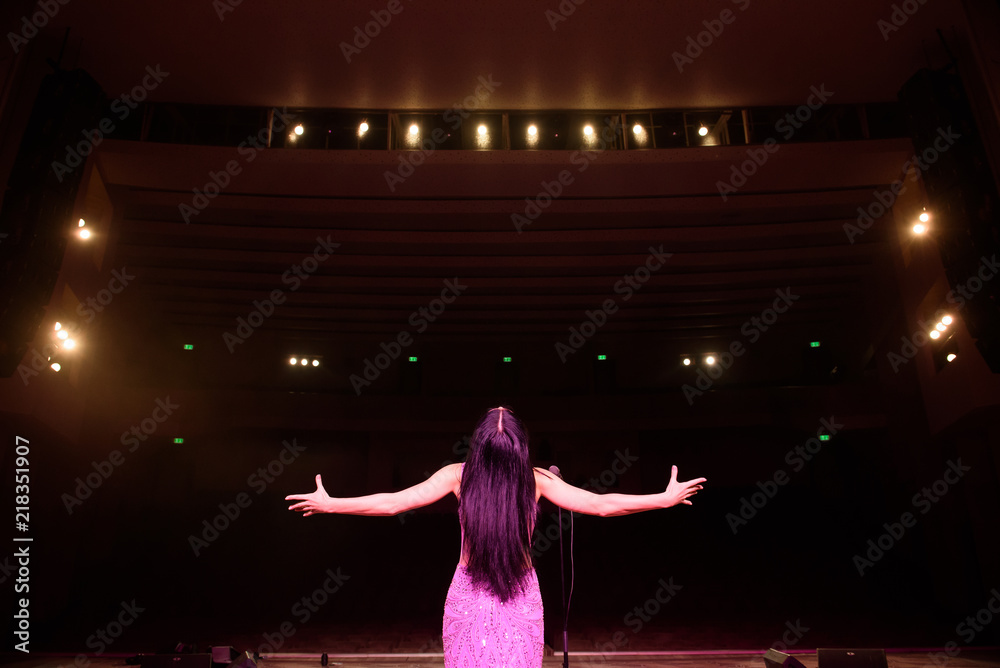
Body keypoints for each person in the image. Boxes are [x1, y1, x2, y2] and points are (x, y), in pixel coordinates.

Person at [285, 406, 706, 667]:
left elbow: (600, 504)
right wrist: (333, 503)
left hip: (514, 594)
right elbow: (393, 502)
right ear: (520, 446)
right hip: (478, 594)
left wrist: (661, 500)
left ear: (479, 446)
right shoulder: (524, 478)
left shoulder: (472, 476)